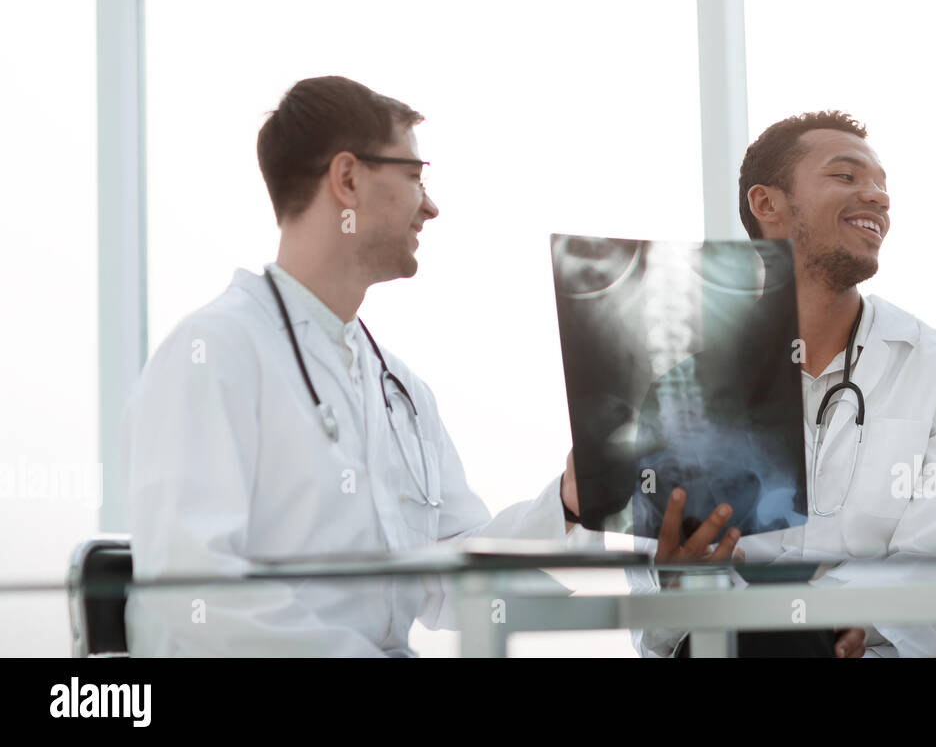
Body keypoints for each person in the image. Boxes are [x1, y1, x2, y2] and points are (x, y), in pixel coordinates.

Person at [124, 75, 593, 656]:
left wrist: (570, 501)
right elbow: (195, 595)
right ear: (347, 179)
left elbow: (455, 575)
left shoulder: (399, 389)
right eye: (415, 178)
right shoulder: (213, 353)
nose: (432, 207)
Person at [629, 110, 936, 658]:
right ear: (767, 205)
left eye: (882, 186)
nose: (877, 197)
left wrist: (822, 623)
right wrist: (680, 586)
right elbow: (652, 611)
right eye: (847, 176)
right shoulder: (681, 392)